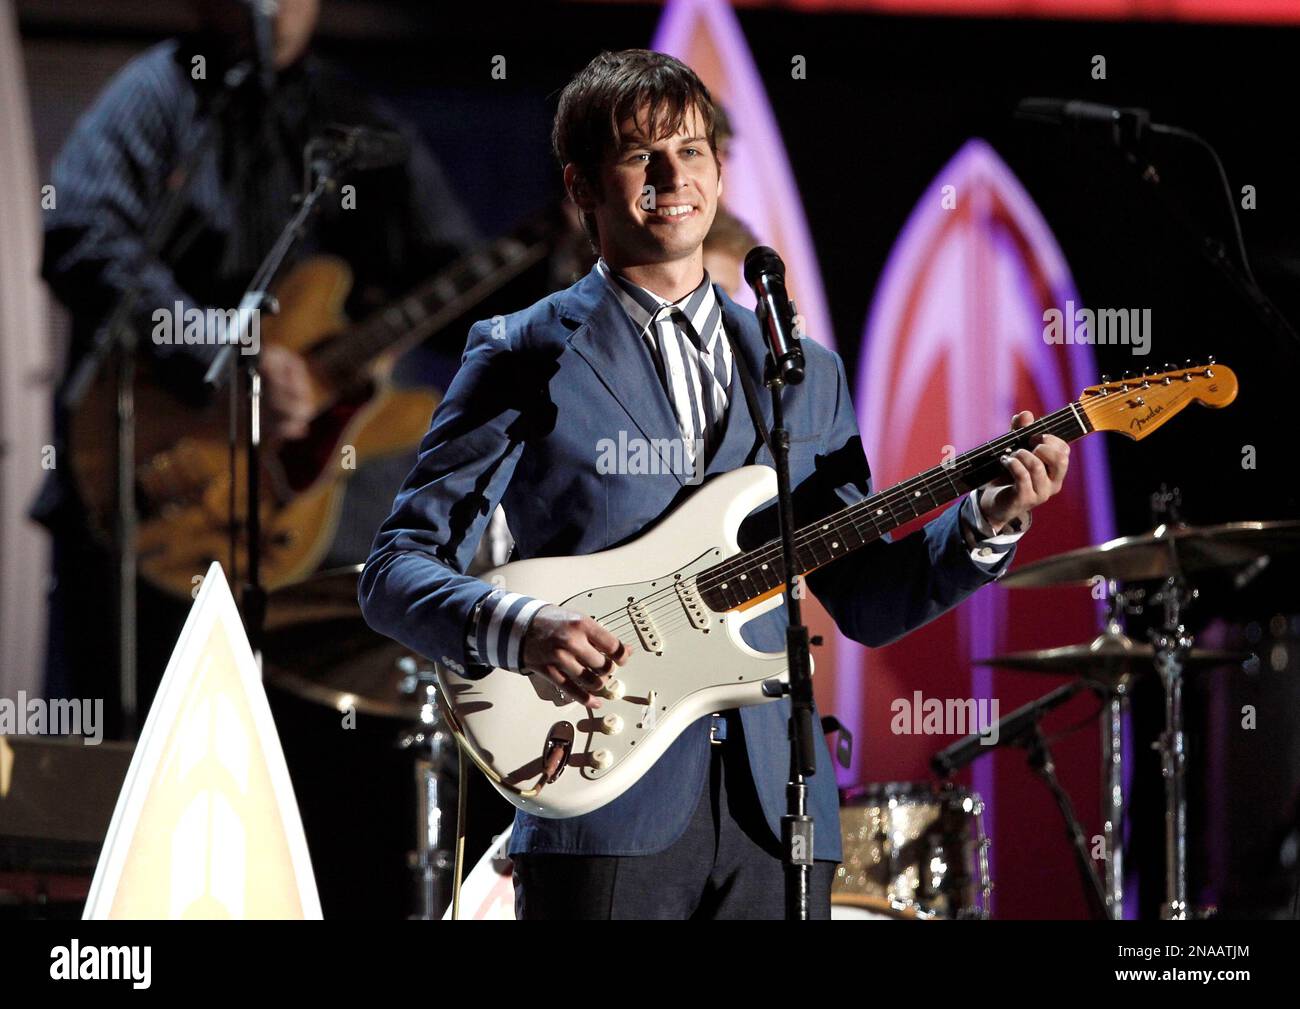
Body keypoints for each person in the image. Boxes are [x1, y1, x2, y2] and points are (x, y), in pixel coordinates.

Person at [359, 49, 1069, 920]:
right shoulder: (520, 351)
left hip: (779, 812)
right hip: (601, 799)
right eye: (639, 155)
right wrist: (522, 628)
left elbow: (867, 598)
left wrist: (982, 526)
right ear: (582, 187)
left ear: (721, 171)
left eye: (691, 151)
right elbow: (393, 569)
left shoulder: (804, 372)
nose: (672, 176)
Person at [35, 0, 476, 734]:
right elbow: (78, 229)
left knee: (298, 775)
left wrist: (562, 249)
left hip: (310, 540)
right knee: (131, 761)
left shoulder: (354, 115)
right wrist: (218, 357)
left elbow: (452, 272)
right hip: (152, 492)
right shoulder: (158, 94)